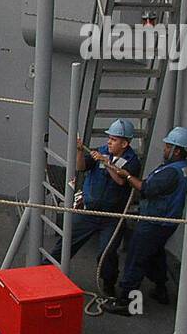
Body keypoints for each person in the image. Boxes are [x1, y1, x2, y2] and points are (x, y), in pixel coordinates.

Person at [104, 126, 187, 315]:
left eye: (168, 146)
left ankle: (127, 302)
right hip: (165, 222)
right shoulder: (182, 169)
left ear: (177, 150)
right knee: (155, 255)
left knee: (136, 258)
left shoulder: (171, 172)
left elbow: (147, 188)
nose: (165, 149)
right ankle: (161, 289)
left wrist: (126, 176)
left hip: (154, 222)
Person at [53, 119, 141, 297]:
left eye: (113, 140)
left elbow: (121, 180)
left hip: (112, 216)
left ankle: (109, 284)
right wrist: (79, 151)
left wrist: (106, 162)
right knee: (67, 242)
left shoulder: (132, 162)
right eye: (109, 138)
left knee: (107, 253)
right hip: (90, 211)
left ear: (124, 143)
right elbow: (81, 167)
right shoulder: (100, 152)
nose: (109, 142)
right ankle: (45, 271)